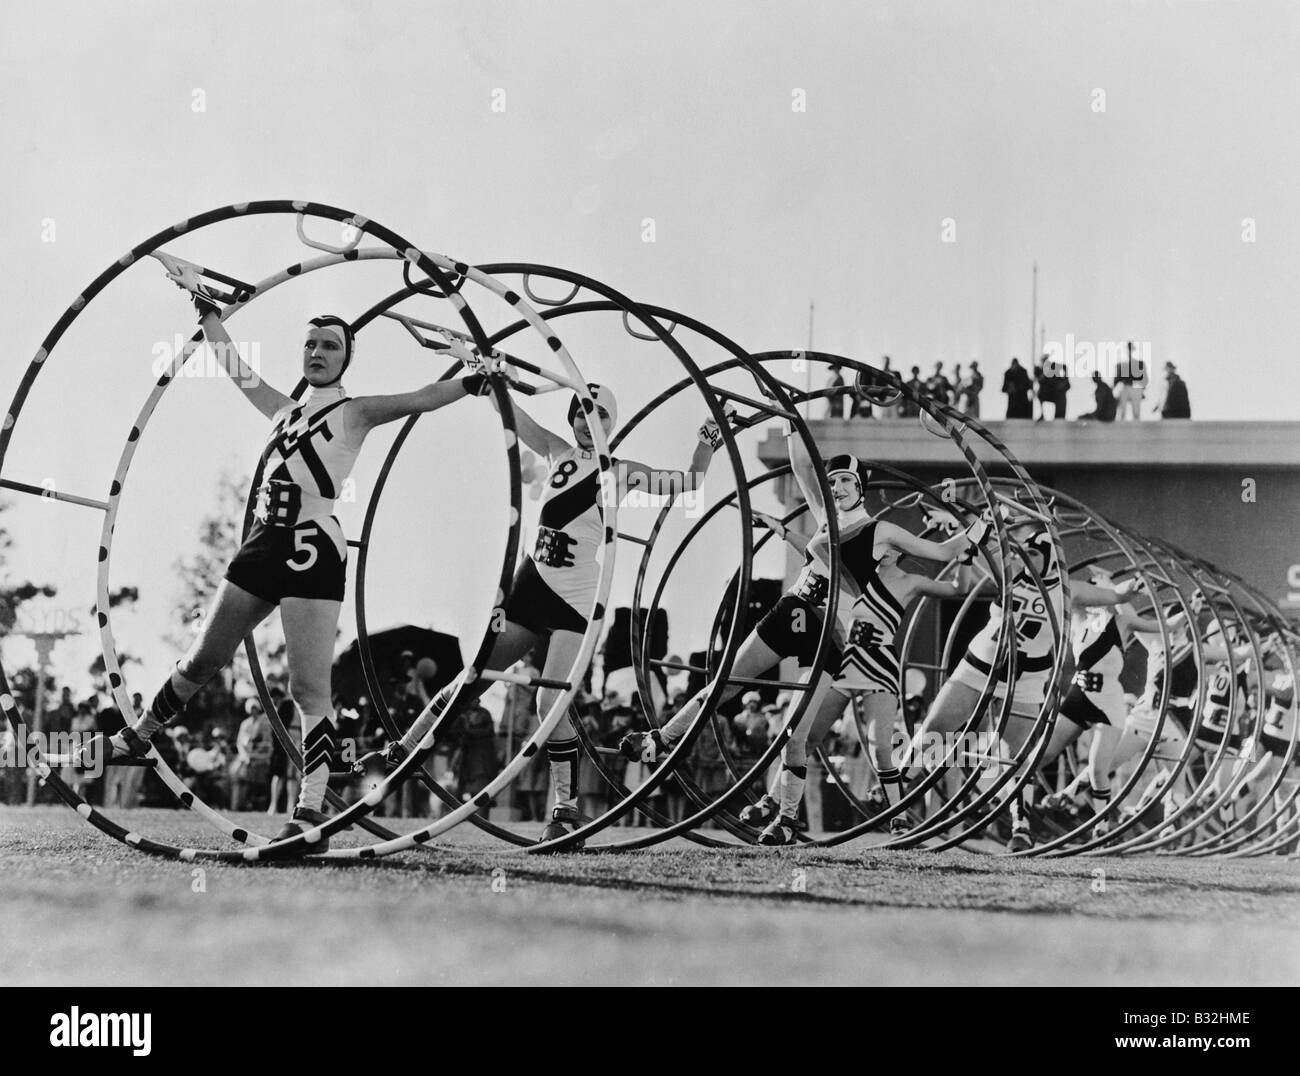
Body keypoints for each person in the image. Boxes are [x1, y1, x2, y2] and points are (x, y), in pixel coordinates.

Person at [77, 261, 495, 853]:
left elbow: (421, 397)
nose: (317, 353)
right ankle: (141, 736)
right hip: (263, 541)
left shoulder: (354, 411)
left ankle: (309, 811)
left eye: (330, 345)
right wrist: (208, 316)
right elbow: (234, 368)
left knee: (307, 689)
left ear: (346, 358)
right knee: (201, 660)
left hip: (310, 548)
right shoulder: (282, 407)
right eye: (310, 344)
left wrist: (475, 379)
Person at [362, 383, 720, 847]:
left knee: (549, 702)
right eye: (578, 412)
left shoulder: (622, 472)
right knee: (473, 676)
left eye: (598, 416)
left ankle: (566, 811)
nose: (585, 421)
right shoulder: (555, 450)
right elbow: (510, 413)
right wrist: (488, 376)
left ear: (613, 423)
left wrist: (708, 438)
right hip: (530, 585)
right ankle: (403, 751)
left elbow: (689, 482)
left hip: (576, 597)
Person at [620, 427, 984, 815]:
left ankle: (787, 817)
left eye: (846, 481)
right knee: (724, 684)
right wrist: (790, 417)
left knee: (796, 732)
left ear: (861, 486)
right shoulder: (825, 517)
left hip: (829, 633)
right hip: (791, 609)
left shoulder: (881, 531)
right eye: (832, 482)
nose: (838, 488)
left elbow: (944, 550)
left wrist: (982, 524)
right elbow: (799, 465)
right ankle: (662, 739)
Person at [743, 510, 982, 846]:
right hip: (843, 660)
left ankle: (898, 823)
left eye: (887, 545)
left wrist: (966, 553)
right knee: (805, 736)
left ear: (899, 550)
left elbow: (959, 588)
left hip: (879, 665)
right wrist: (781, 530)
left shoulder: (908, 581)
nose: (878, 548)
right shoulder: (853, 573)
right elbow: (814, 552)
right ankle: (773, 800)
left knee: (881, 747)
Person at [902, 514, 1141, 850]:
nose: (1023, 556)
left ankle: (1021, 828)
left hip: (1027, 679)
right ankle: (896, 790)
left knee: (1020, 758)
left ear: (1049, 557)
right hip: (981, 666)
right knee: (934, 729)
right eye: (1023, 551)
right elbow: (981, 539)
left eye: (1034, 552)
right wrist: (956, 520)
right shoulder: (1011, 573)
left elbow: (1116, 596)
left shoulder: (1067, 592)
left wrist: (1133, 587)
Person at [230, 697, 273, 811]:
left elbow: (267, 742)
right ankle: (236, 806)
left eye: (255, 708)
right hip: (246, 757)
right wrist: (245, 756)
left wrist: (255, 754)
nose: (253, 710)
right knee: (237, 777)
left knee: (255, 782)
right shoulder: (245, 724)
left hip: (259, 758)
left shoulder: (263, 723)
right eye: (251, 708)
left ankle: (253, 804)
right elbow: (240, 742)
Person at [1113, 342, 1146, 421]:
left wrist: (1142, 389)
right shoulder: (1122, 364)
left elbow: (1143, 378)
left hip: (1135, 388)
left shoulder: (1139, 363)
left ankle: (1137, 429)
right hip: (1126, 387)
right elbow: (1117, 378)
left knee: (1136, 411)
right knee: (1122, 411)